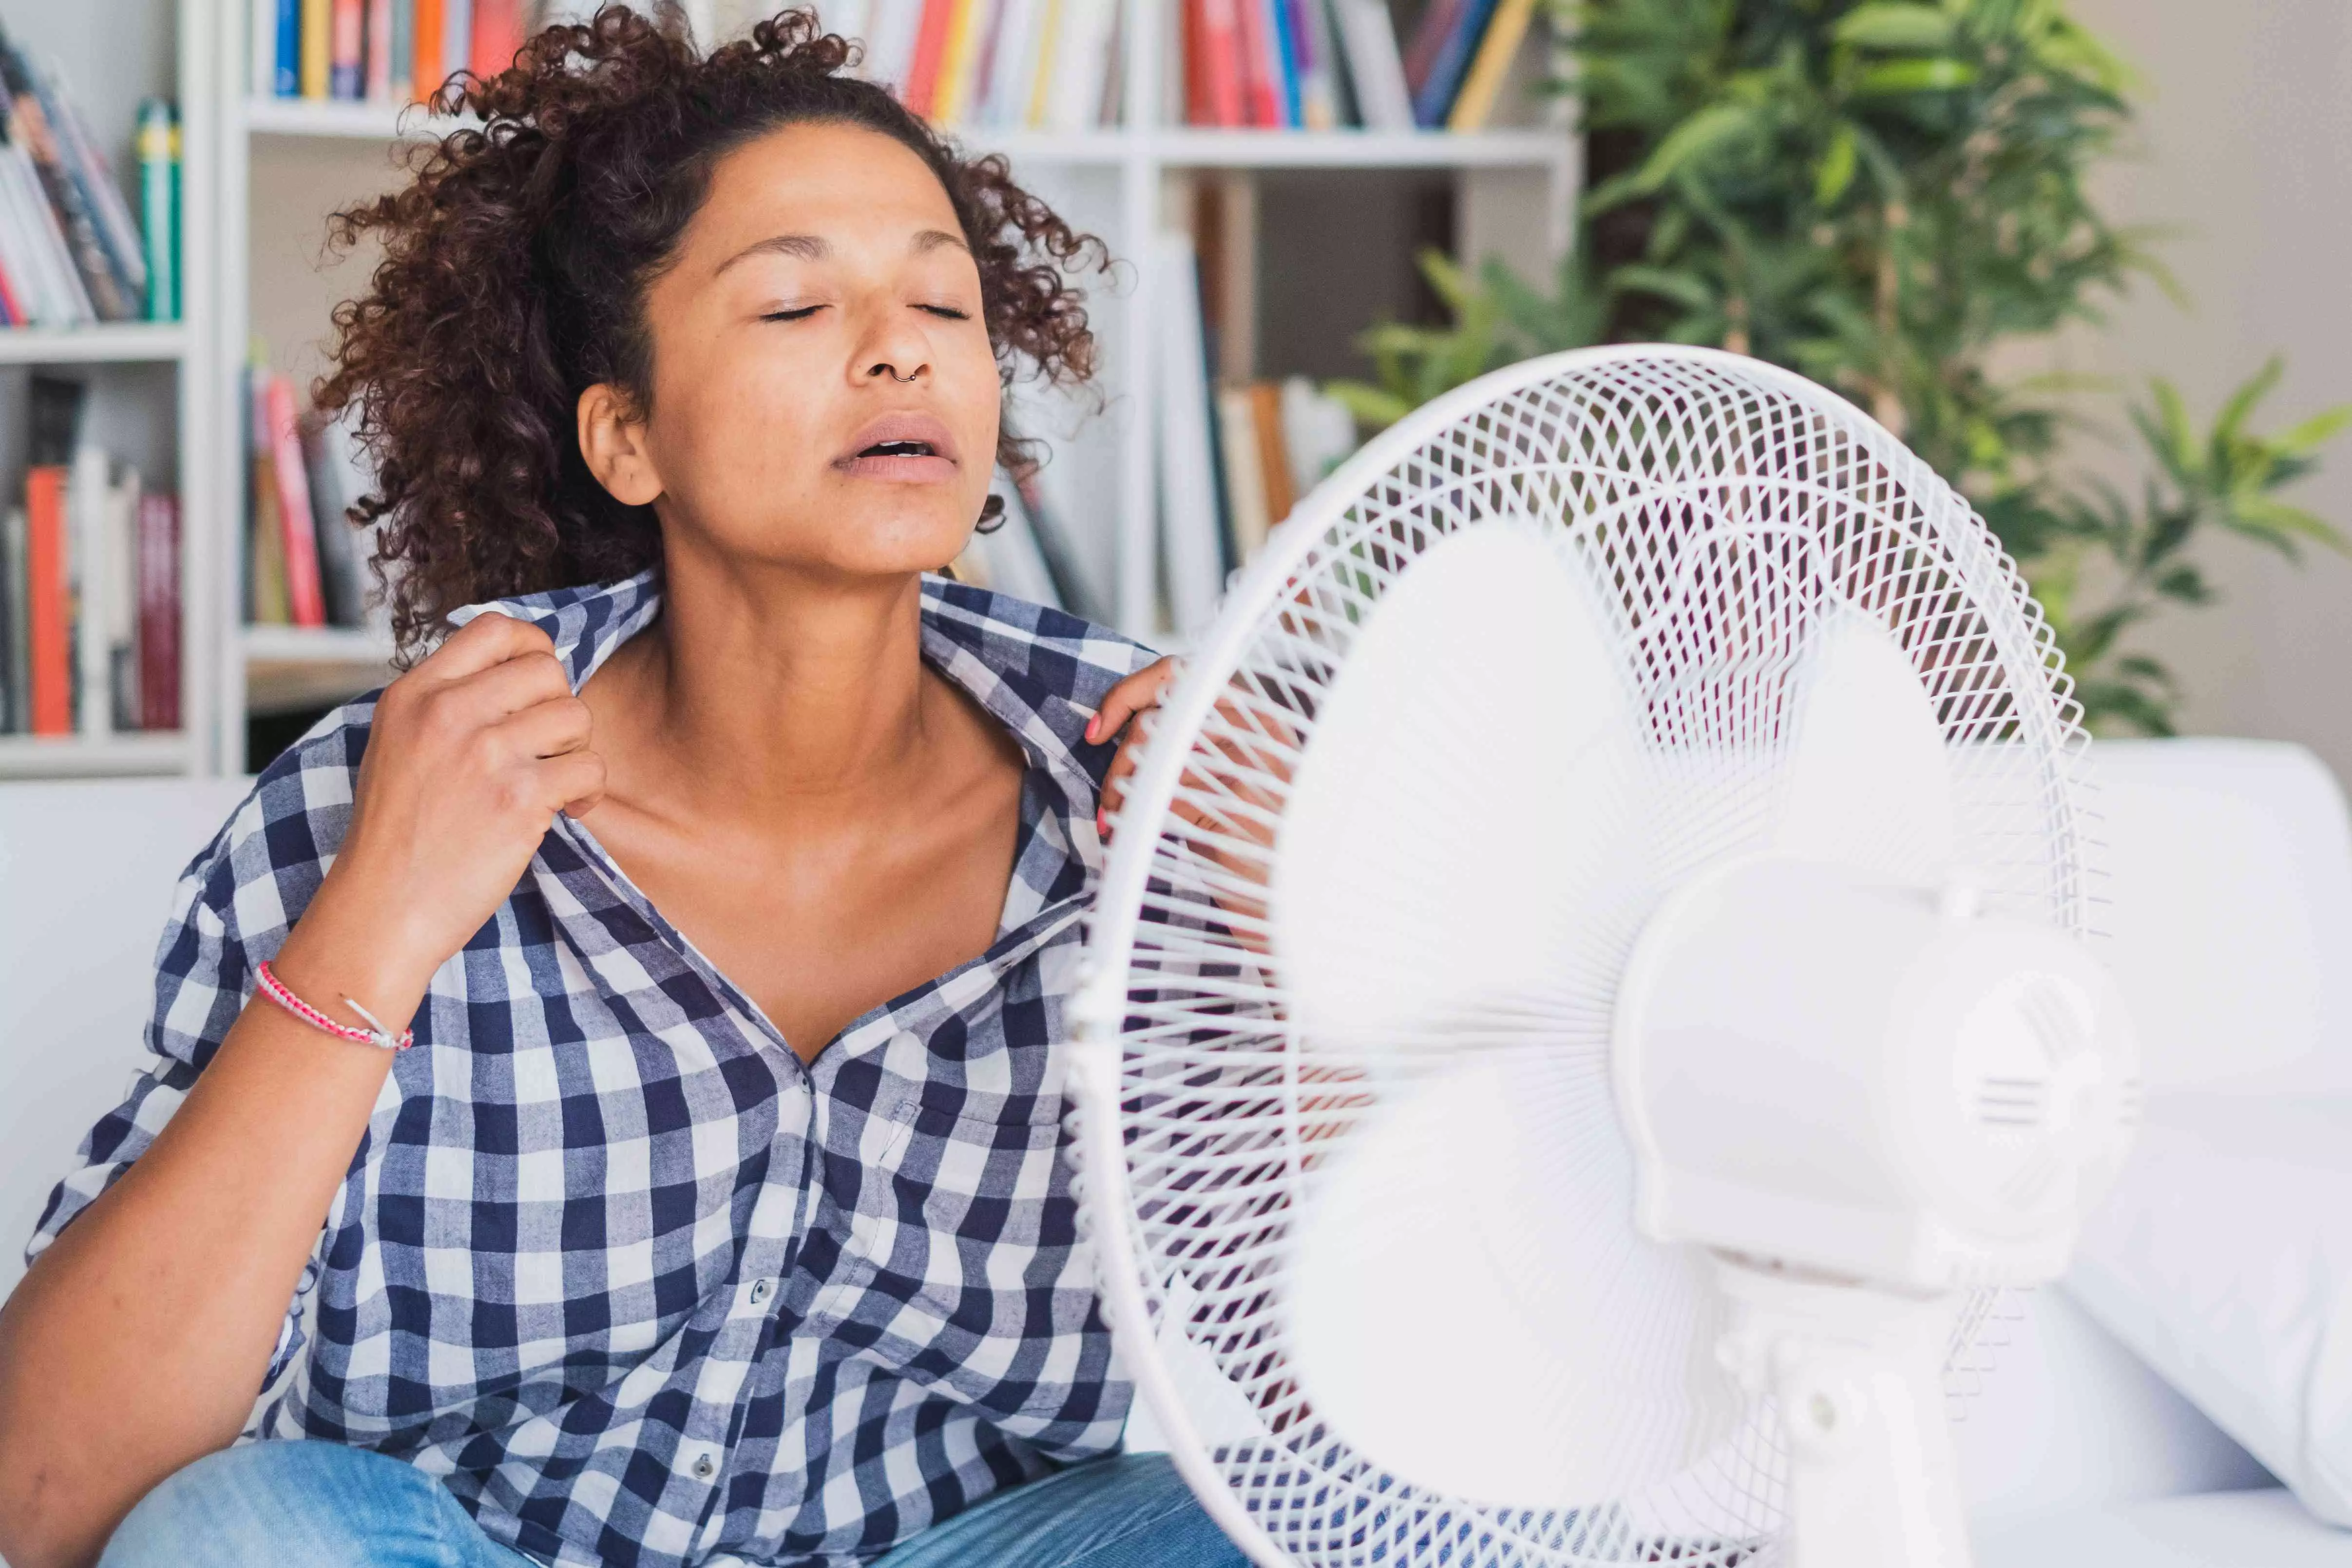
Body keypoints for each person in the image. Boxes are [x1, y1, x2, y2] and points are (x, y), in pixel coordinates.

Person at [0, 9, 1217, 1567]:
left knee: (1321, 1524)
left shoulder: (1150, 798)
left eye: (943, 300)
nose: (901, 344)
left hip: (969, 1546)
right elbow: (47, 1500)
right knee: (248, 1530)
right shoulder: (400, 793)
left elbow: (1415, 1348)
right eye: (794, 304)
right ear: (627, 437)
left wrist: (1305, 937)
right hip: (470, 1550)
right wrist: (377, 924)